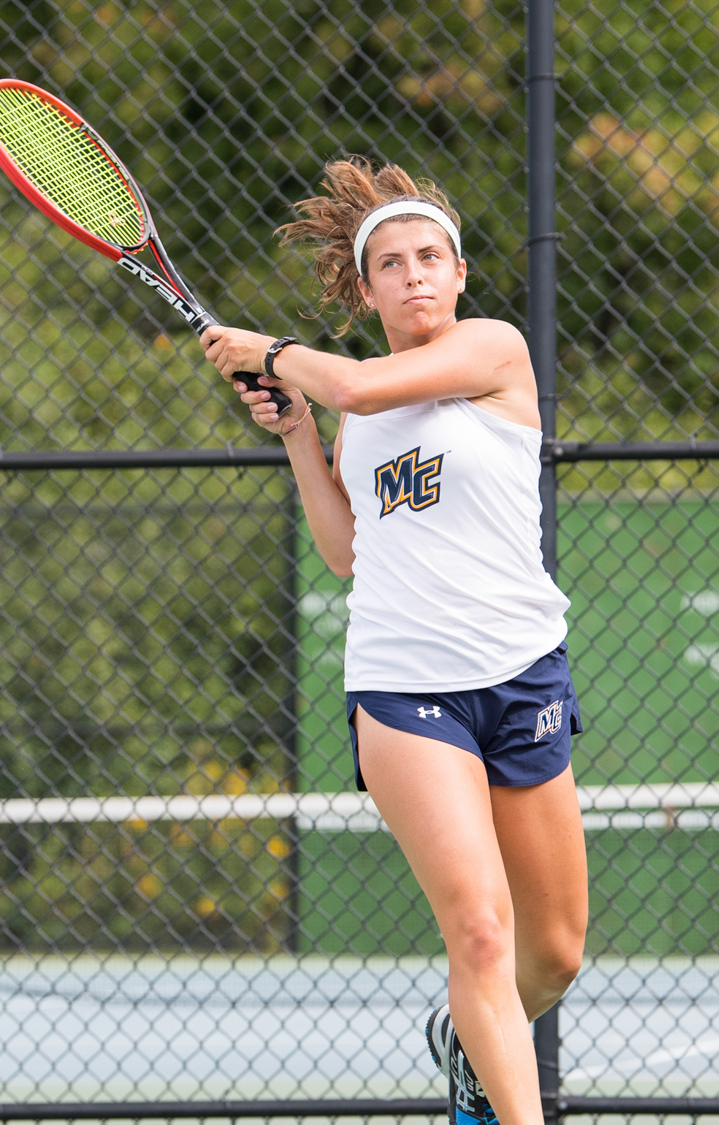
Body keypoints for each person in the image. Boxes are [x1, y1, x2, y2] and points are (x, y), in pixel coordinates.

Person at [200, 158, 588, 1125]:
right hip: (405, 691)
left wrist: (273, 351)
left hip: (522, 673)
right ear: (365, 288)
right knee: (483, 938)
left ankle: (464, 1044)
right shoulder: (359, 419)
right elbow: (343, 550)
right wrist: (297, 435)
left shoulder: (492, 351)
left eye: (430, 257)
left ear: (458, 275)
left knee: (555, 952)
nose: (414, 275)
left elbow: (359, 386)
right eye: (391, 264)